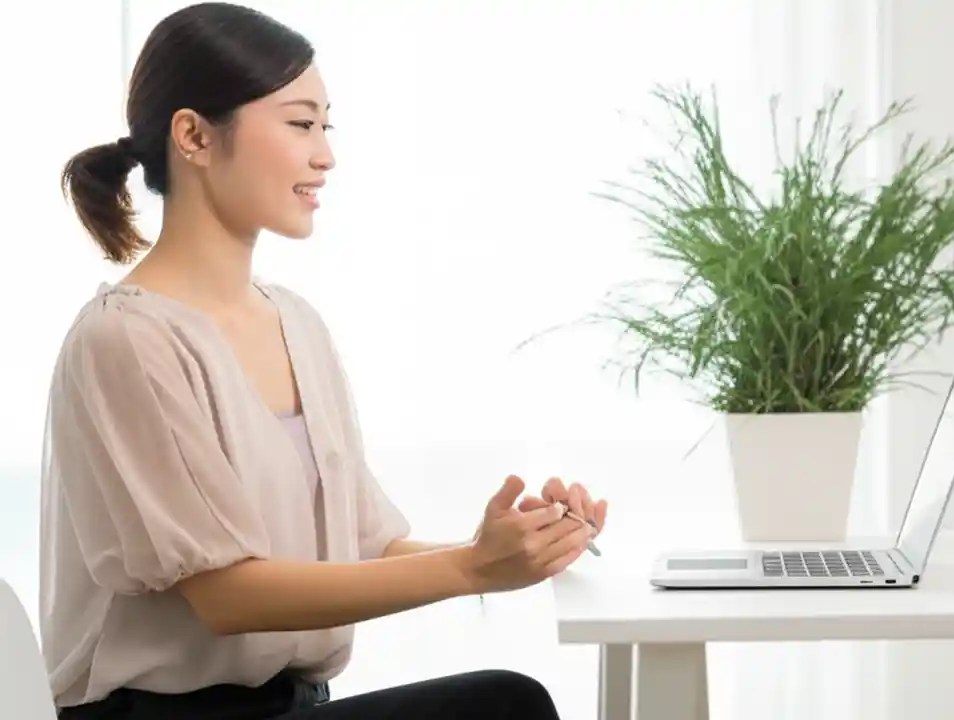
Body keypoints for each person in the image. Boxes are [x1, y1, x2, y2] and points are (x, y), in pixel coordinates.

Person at [40, 3, 606, 718]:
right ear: (193, 135)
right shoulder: (123, 341)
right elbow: (225, 594)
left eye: (325, 126)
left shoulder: (297, 324)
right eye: (301, 123)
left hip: (294, 707)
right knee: (504, 706)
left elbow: (363, 550)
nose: (325, 155)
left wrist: (510, 548)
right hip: (155, 717)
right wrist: (469, 569)